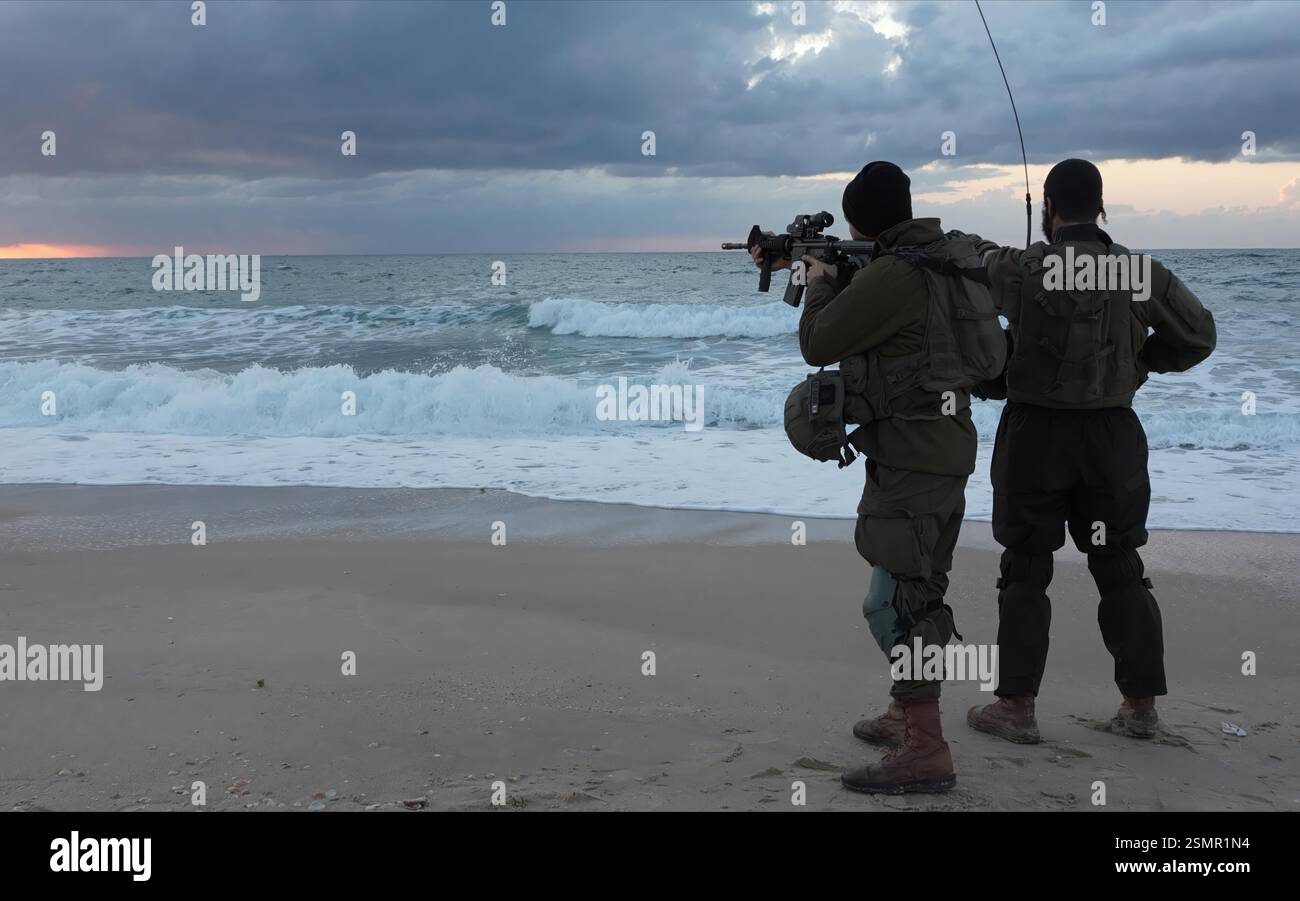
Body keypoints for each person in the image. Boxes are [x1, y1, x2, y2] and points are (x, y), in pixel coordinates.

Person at [757, 161, 997, 793]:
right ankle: (904, 713)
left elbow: (818, 341)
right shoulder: (941, 259)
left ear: (862, 221)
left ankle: (925, 745)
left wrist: (818, 282)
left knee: (897, 602)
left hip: (913, 461)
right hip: (942, 449)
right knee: (912, 588)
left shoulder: (894, 276)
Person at [966, 159, 1217, 743]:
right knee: (1120, 567)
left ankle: (1017, 707)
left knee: (1026, 568)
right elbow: (1199, 336)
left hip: (1036, 435)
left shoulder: (1021, 267)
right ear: (1101, 207)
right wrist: (1138, 364)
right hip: (1111, 436)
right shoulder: (1135, 271)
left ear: (1048, 208)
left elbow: (967, 269)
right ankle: (1139, 707)